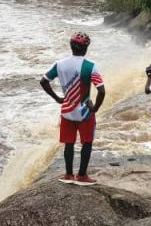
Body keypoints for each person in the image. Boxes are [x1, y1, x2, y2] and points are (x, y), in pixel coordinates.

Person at [40, 32, 105, 186]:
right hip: (85, 113)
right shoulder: (90, 66)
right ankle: (82, 176)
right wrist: (94, 108)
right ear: (86, 48)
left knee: (68, 143)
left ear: (71, 46)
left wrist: (57, 98)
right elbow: (101, 91)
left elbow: (44, 81)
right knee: (87, 143)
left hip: (67, 111)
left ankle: (68, 174)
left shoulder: (60, 64)